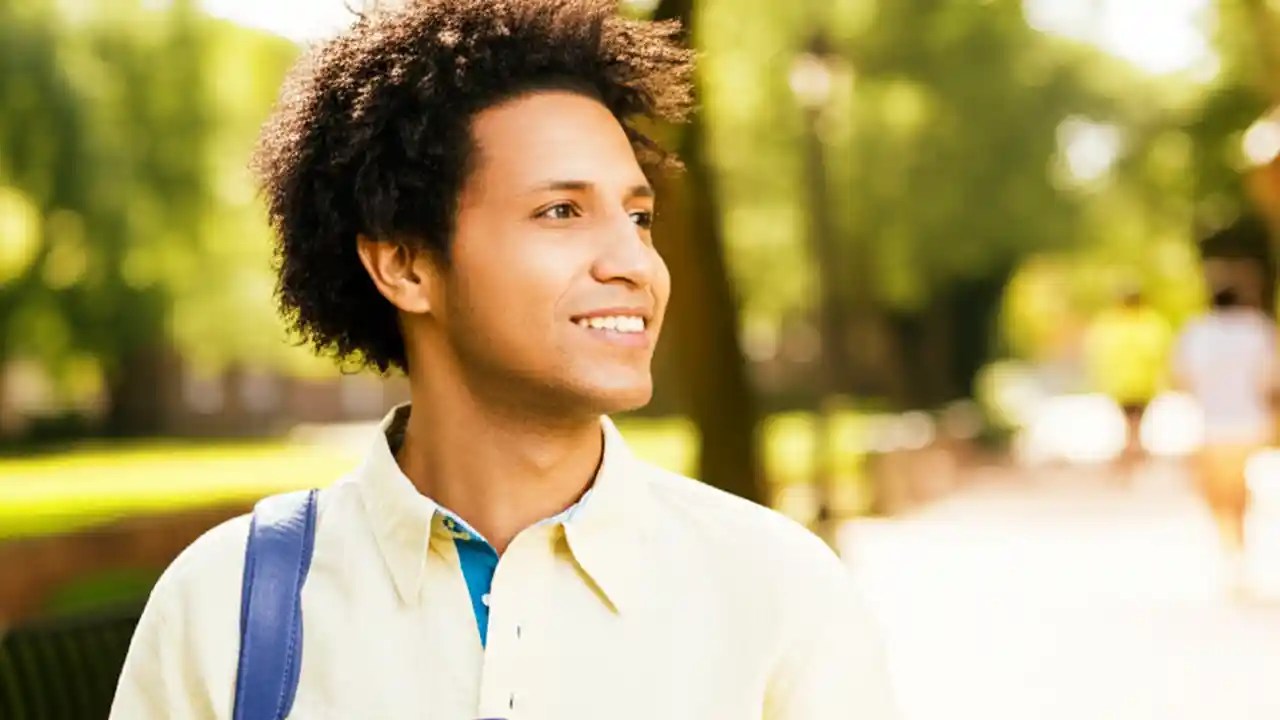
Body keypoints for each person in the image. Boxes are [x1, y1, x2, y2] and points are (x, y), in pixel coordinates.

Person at [109, 1, 898, 718]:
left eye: (639, 217)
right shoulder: (221, 609)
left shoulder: (779, 593)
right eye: (561, 211)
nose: (635, 263)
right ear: (406, 265)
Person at [1173, 284, 1278, 592]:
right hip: (1250, 423)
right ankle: (1239, 549)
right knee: (1238, 487)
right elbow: (1271, 379)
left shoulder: (1197, 332)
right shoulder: (1258, 329)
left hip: (1211, 425)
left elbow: (1182, 377)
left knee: (1217, 492)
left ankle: (1230, 547)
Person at [1083, 287, 1172, 482]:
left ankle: (1130, 461)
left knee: (1130, 426)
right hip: (1143, 384)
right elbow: (1161, 353)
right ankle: (1133, 458)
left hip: (1121, 384)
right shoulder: (1151, 323)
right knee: (1135, 426)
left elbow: (1099, 353)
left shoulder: (1111, 324)